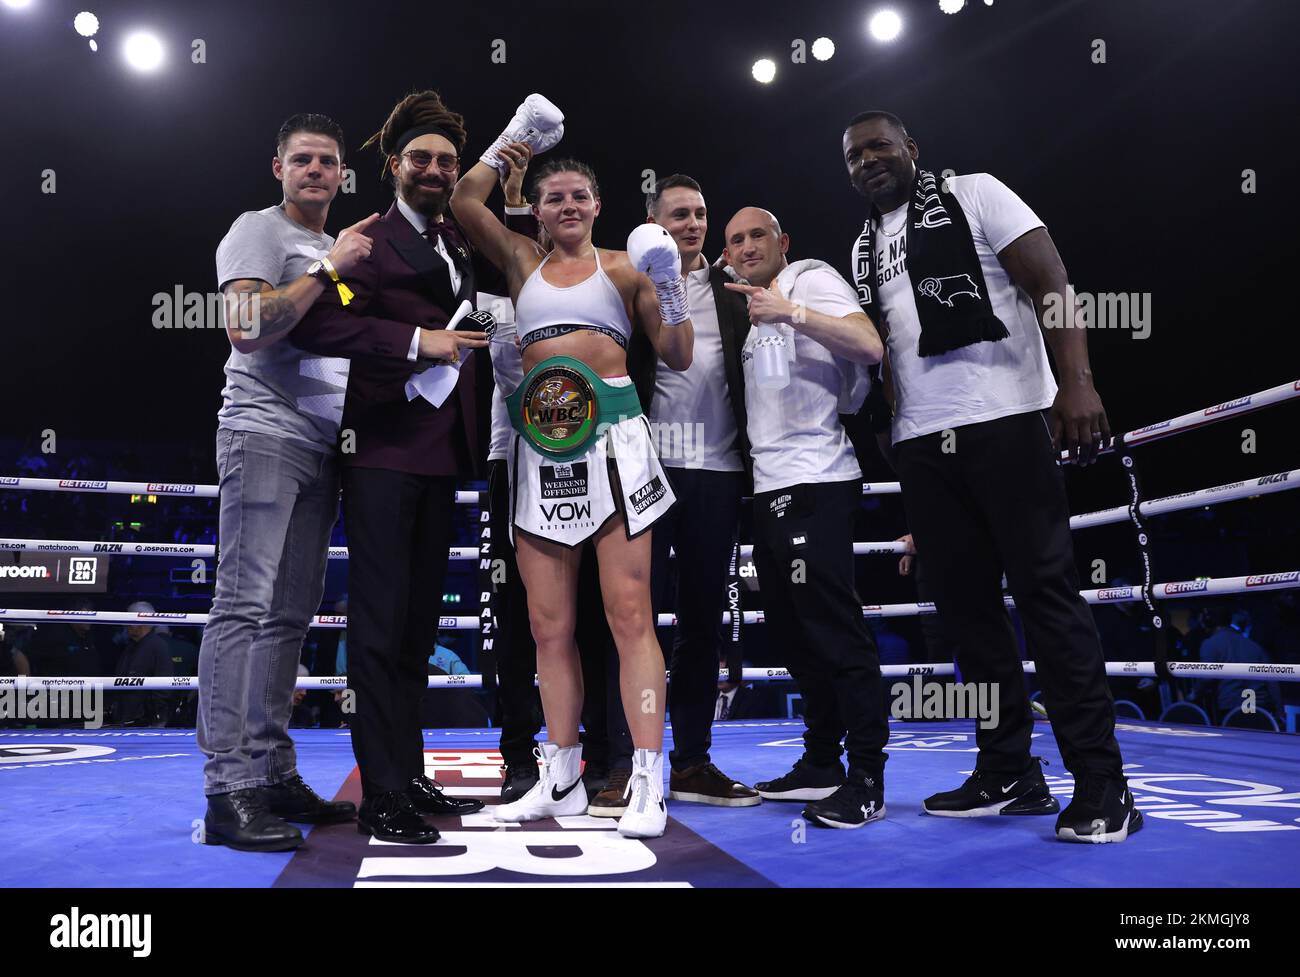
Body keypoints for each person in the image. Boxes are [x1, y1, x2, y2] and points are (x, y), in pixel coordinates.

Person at [842, 109, 1140, 842]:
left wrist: (1077, 383)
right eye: (852, 157)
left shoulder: (975, 192)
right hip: (922, 442)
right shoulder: (862, 245)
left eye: (878, 147)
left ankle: (1105, 784)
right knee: (968, 616)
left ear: (912, 149)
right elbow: (886, 357)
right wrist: (897, 448)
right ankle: (1007, 768)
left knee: (1046, 597)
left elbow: (1052, 281)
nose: (866, 161)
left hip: (1005, 420)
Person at [291, 90, 534, 843]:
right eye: (421, 159)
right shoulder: (367, 239)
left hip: (441, 456)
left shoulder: (454, 243)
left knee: (416, 626)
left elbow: (518, 283)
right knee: (379, 625)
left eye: (447, 162)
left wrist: (517, 209)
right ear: (394, 165)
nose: (434, 170)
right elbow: (322, 319)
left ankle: (408, 768)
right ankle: (383, 793)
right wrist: (414, 343)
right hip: (383, 452)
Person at [451, 94, 695, 839]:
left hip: (615, 445)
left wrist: (672, 281)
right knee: (546, 625)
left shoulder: (627, 266)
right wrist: (513, 139)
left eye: (578, 195)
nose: (565, 204)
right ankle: (561, 777)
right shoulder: (521, 260)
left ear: (597, 205)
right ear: (538, 208)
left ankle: (648, 777)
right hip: (539, 449)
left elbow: (679, 353)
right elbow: (465, 199)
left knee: (628, 615)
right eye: (552, 195)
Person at [199, 113, 372, 852]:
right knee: (242, 605)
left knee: (289, 616)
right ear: (279, 167)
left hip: (324, 446)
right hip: (263, 433)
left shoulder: (339, 244)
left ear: (342, 173)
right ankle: (226, 785)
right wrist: (329, 271)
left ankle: (270, 769)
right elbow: (244, 325)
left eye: (327, 161)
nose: (315, 170)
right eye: (302, 159)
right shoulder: (258, 230)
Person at [589, 174, 760, 813]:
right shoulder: (625, 285)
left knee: (700, 624)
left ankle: (690, 761)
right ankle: (613, 765)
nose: (691, 224)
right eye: (677, 215)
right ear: (651, 223)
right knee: (626, 620)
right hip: (641, 467)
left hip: (717, 471)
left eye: (699, 213)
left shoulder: (735, 292)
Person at [720, 206, 888, 829]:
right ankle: (822, 761)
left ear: (783, 241)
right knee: (793, 631)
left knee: (832, 626)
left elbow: (869, 345)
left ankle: (867, 775)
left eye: (757, 234)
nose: (745, 246)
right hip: (769, 487)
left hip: (817, 479)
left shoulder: (809, 278)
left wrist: (789, 311)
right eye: (734, 240)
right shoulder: (744, 298)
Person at [111, 603, 175, 726]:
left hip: (146, 721)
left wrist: (151, 714)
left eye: (128, 620)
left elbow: (164, 686)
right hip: (129, 717)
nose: (125, 625)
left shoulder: (157, 646)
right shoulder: (131, 646)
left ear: (138, 621)